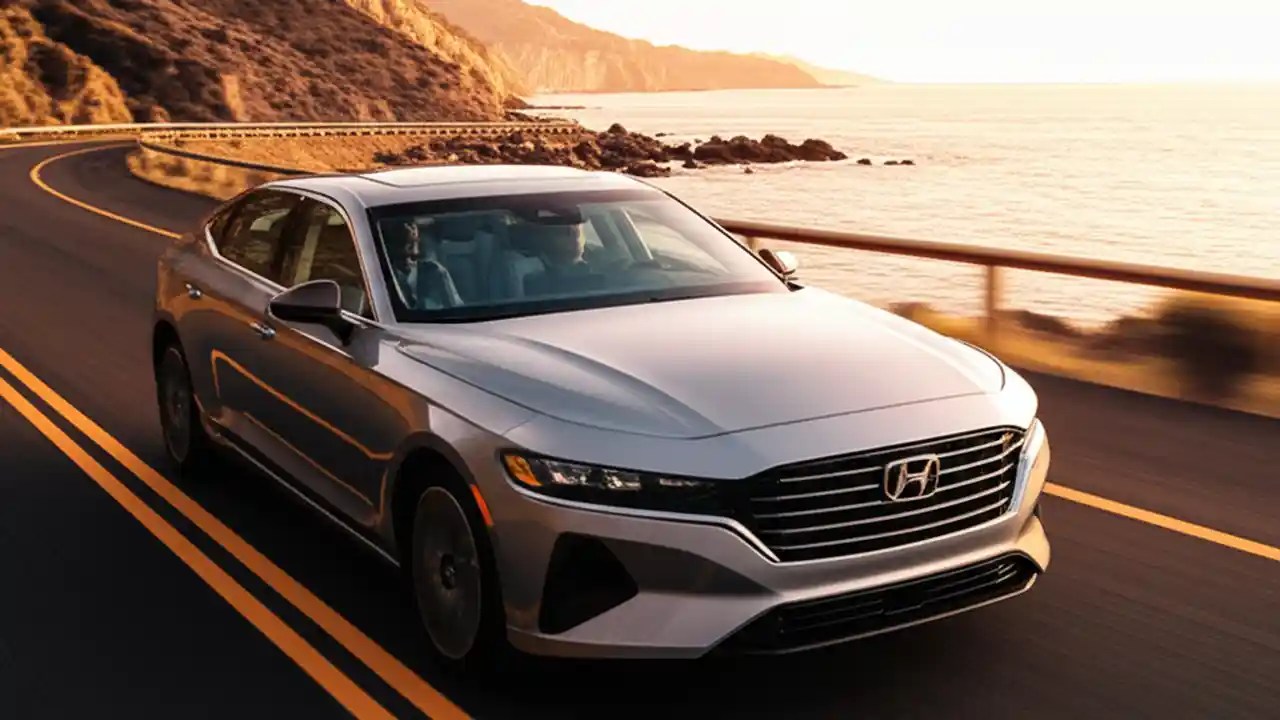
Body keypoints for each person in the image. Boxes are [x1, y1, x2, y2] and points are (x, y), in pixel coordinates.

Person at [385, 219, 462, 309]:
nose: (408, 262)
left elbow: (455, 310)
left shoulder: (435, 273)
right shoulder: (382, 277)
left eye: (412, 258)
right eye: (401, 257)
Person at [521, 221, 601, 297]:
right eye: (565, 233)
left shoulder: (600, 262)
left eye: (577, 232)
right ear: (548, 238)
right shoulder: (534, 279)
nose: (575, 238)